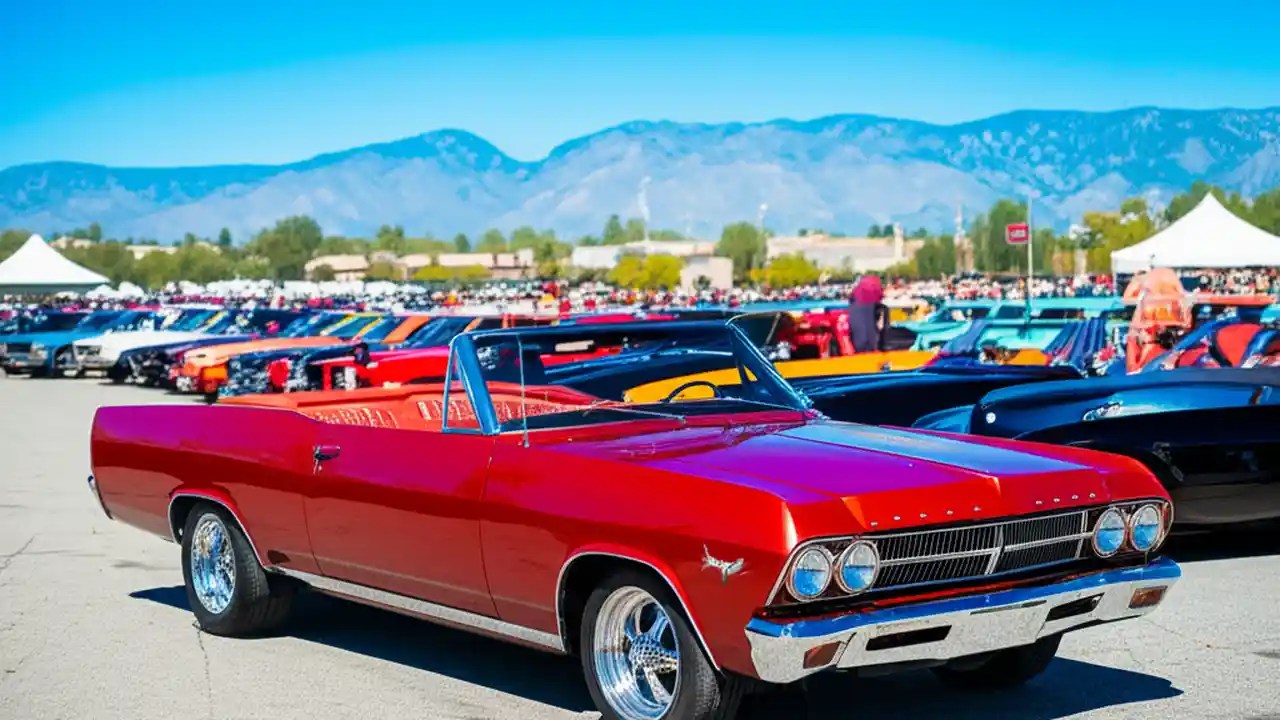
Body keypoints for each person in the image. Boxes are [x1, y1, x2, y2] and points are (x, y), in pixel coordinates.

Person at [847, 275, 888, 353]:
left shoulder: (853, 301)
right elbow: (881, 327)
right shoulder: (878, 306)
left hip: (857, 343)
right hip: (870, 344)